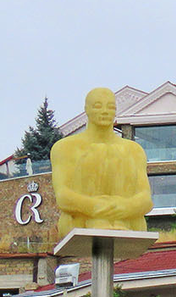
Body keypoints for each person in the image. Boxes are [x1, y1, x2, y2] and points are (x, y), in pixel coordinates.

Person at [50, 87, 153, 238]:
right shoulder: (65, 147)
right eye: (98, 106)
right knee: (96, 152)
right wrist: (97, 207)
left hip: (127, 222)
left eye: (110, 107)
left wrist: (123, 206)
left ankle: (115, 221)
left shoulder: (133, 150)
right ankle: (101, 221)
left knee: (119, 153)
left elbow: (145, 199)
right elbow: (63, 196)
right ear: (86, 109)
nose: (105, 111)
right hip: (80, 222)